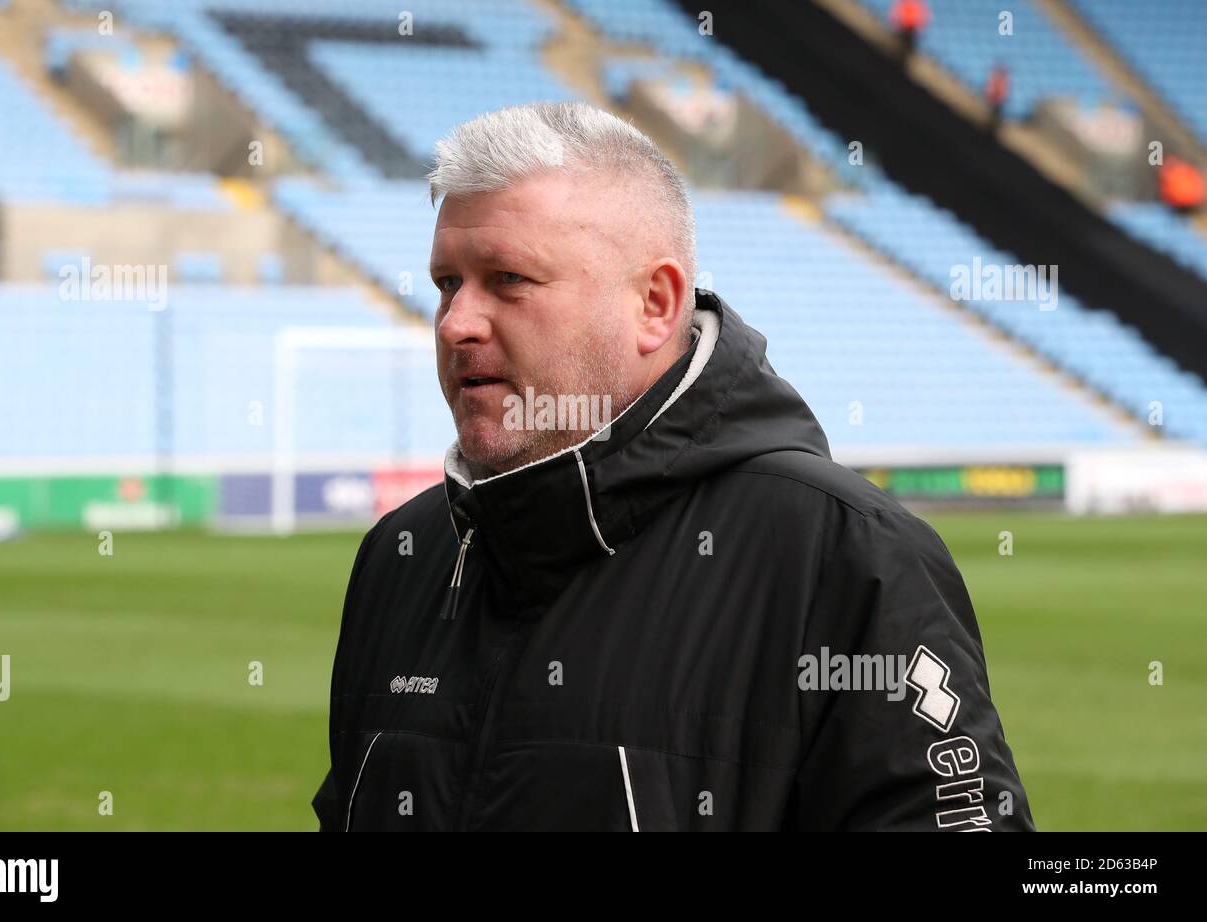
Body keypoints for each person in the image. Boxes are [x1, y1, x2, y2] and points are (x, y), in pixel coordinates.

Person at [311, 101, 1034, 831]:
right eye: (446, 283)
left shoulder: (842, 555)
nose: (456, 322)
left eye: (508, 279)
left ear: (655, 305)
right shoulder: (401, 558)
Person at [985, 62, 1010, 132]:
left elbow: (1003, 93)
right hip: (994, 101)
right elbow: (990, 90)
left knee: (996, 114)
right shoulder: (996, 78)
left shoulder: (1002, 80)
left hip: (997, 102)